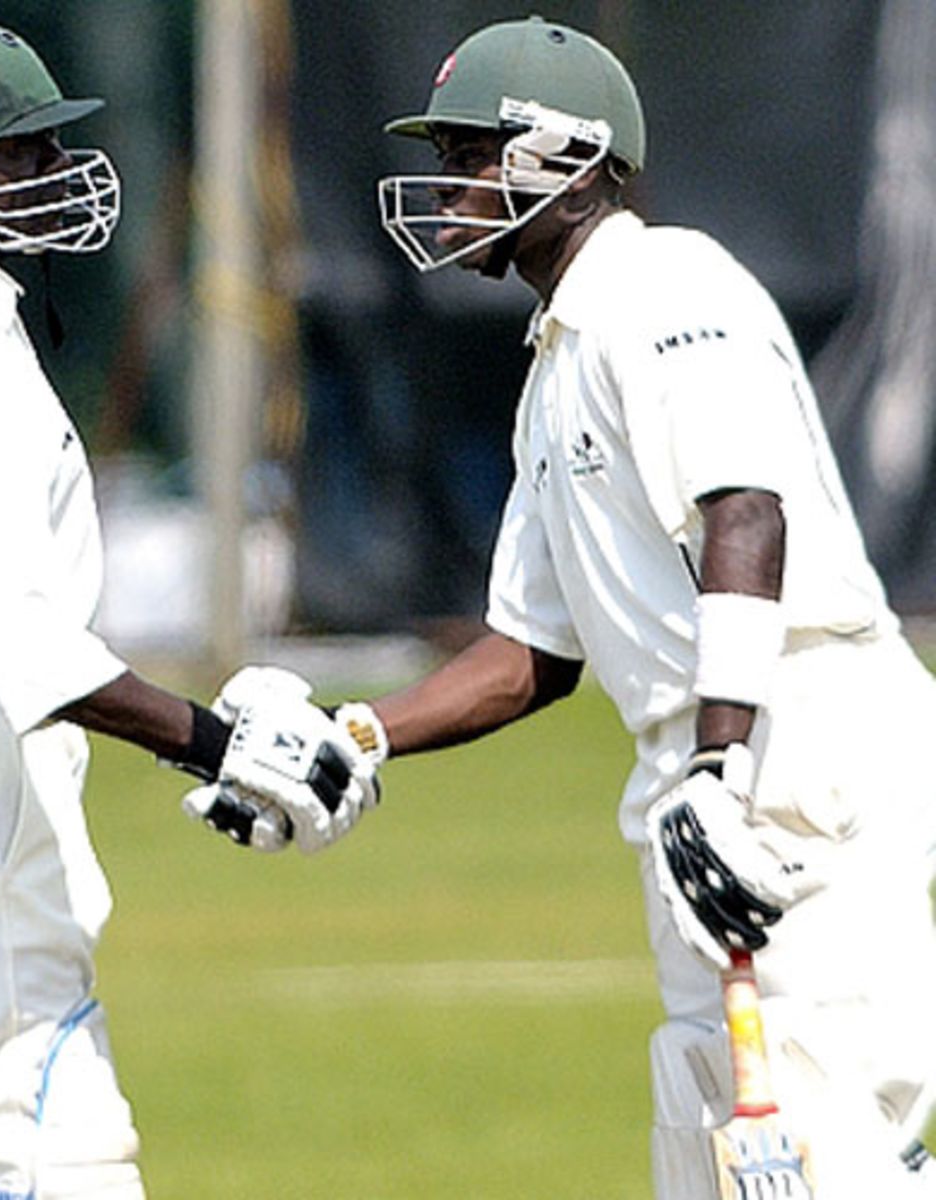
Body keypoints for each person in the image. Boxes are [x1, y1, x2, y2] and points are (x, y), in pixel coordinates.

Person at [207, 14, 936, 1199]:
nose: (446, 188)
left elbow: (746, 511)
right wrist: (359, 737)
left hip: (797, 749)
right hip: (705, 766)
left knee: (826, 1146)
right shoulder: (557, 360)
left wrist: (722, 769)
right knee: (718, 1153)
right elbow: (528, 656)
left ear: (575, 162)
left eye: (472, 155)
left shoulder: (667, 286)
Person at [0, 21, 376, 1200]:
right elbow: (25, 644)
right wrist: (220, 741)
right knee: (43, 1126)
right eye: (18, 156)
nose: (51, 176)